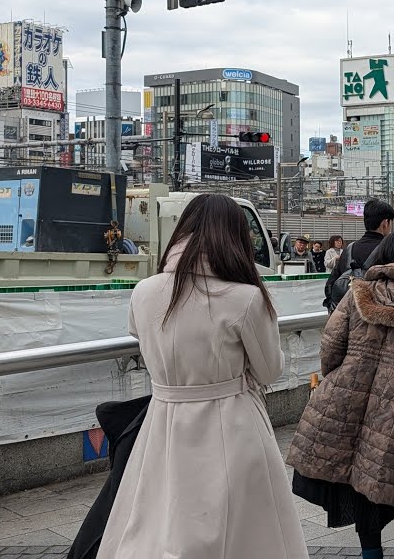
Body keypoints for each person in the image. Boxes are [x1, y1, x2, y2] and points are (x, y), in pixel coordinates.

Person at [97, 194, 308, 559]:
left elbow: (141, 337)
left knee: (158, 521)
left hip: (162, 421)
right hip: (233, 422)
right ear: (235, 238)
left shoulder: (144, 292)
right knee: (245, 533)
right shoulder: (245, 298)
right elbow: (270, 370)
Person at [287, 231, 394, 556]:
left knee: (358, 487)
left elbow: (330, 347)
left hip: (345, 400)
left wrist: (343, 376)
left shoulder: (359, 293)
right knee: (380, 481)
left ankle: (371, 553)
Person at [325, 199, 394, 305]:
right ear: (385, 223)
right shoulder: (391, 249)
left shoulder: (349, 249)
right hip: (377, 315)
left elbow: (330, 284)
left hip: (350, 315)